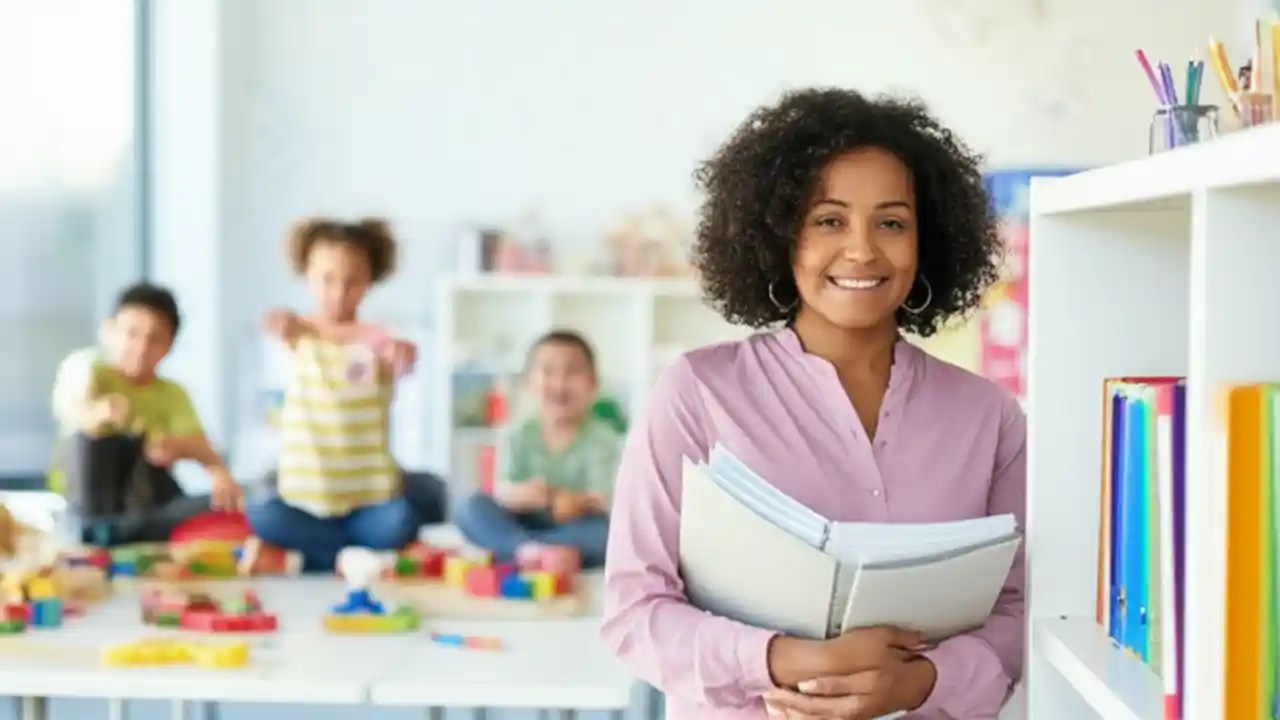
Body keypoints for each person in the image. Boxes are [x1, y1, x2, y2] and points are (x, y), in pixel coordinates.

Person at [599, 88, 1026, 720]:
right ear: (779, 235)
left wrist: (921, 684)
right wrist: (792, 660)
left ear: (926, 240)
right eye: (829, 220)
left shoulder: (990, 418)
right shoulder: (697, 394)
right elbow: (636, 614)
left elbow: (1019, 611)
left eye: (892, 222)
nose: (861, 250)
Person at [247, 217, 443, 572]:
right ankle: (355, 557)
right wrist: (279, 322)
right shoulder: (299, 333)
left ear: (370, 281)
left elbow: (404, 355)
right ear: (306, 276)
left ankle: (309, 558)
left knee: (402, 517)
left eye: (352, 282)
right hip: (304, 501)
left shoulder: (380, 339)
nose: (338, 293)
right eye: (327, 279)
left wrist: (401, 354)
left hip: (368, 502)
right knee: (262, 512)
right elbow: (277, 323)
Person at [49, 282, 242, 545]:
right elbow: (75, 409)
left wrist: (216, 472)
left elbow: (202, 448)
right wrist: (100, 413)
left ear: (170, 346)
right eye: (131, 334)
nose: (141, 348)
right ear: (108, 331)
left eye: (154, 339)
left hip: (146, 504)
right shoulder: (89, 368)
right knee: (92, 439)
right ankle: (104, 531)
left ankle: (121, 533)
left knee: (221, 507)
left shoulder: (172, 394)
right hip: (91, 500)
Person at [453, 330, 622, 569]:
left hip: (576, 525)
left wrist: (575, 501)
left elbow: (604, 497)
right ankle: (529, 550)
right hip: (522, 520)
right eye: (548, 372)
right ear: (527, 383)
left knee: (608, 533)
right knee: (470, 507)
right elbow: (503, 490)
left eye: (572, 372)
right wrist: (523, 495)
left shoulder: (604, 439)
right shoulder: (516, 434)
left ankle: (525, 551)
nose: (560, 383)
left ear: (592, 384)